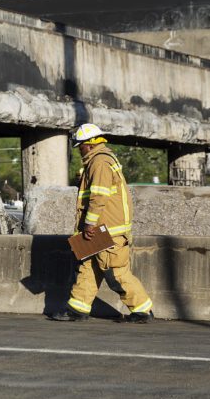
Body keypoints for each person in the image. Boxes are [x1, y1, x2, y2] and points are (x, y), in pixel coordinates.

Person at [49, 123, 154, 323]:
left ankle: (142, 310)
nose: (79, 150)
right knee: (88, 268)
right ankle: (77, 309)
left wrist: (89, 224)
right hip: (100, 230)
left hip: (106, 231)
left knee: (116, 272)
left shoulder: (100, 162)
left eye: (80, 146)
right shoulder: (98, 162)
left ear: (89, 145)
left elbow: (99, 196)